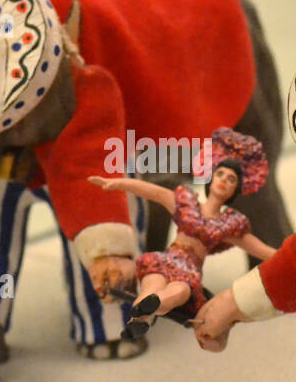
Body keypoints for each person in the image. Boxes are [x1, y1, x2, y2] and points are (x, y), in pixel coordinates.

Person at [88, 127, 274, 336]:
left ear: (235, 190)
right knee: (151, 285)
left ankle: (149, 311)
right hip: (166, 259)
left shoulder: (229, 225)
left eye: (231, 180)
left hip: (189, 271)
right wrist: (115, 183)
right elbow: (151, 192)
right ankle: (140, 319)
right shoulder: (185, 203)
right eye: (220, 174)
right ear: (211, 178)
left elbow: (262, 250)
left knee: (178, 292)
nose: (223, 181)